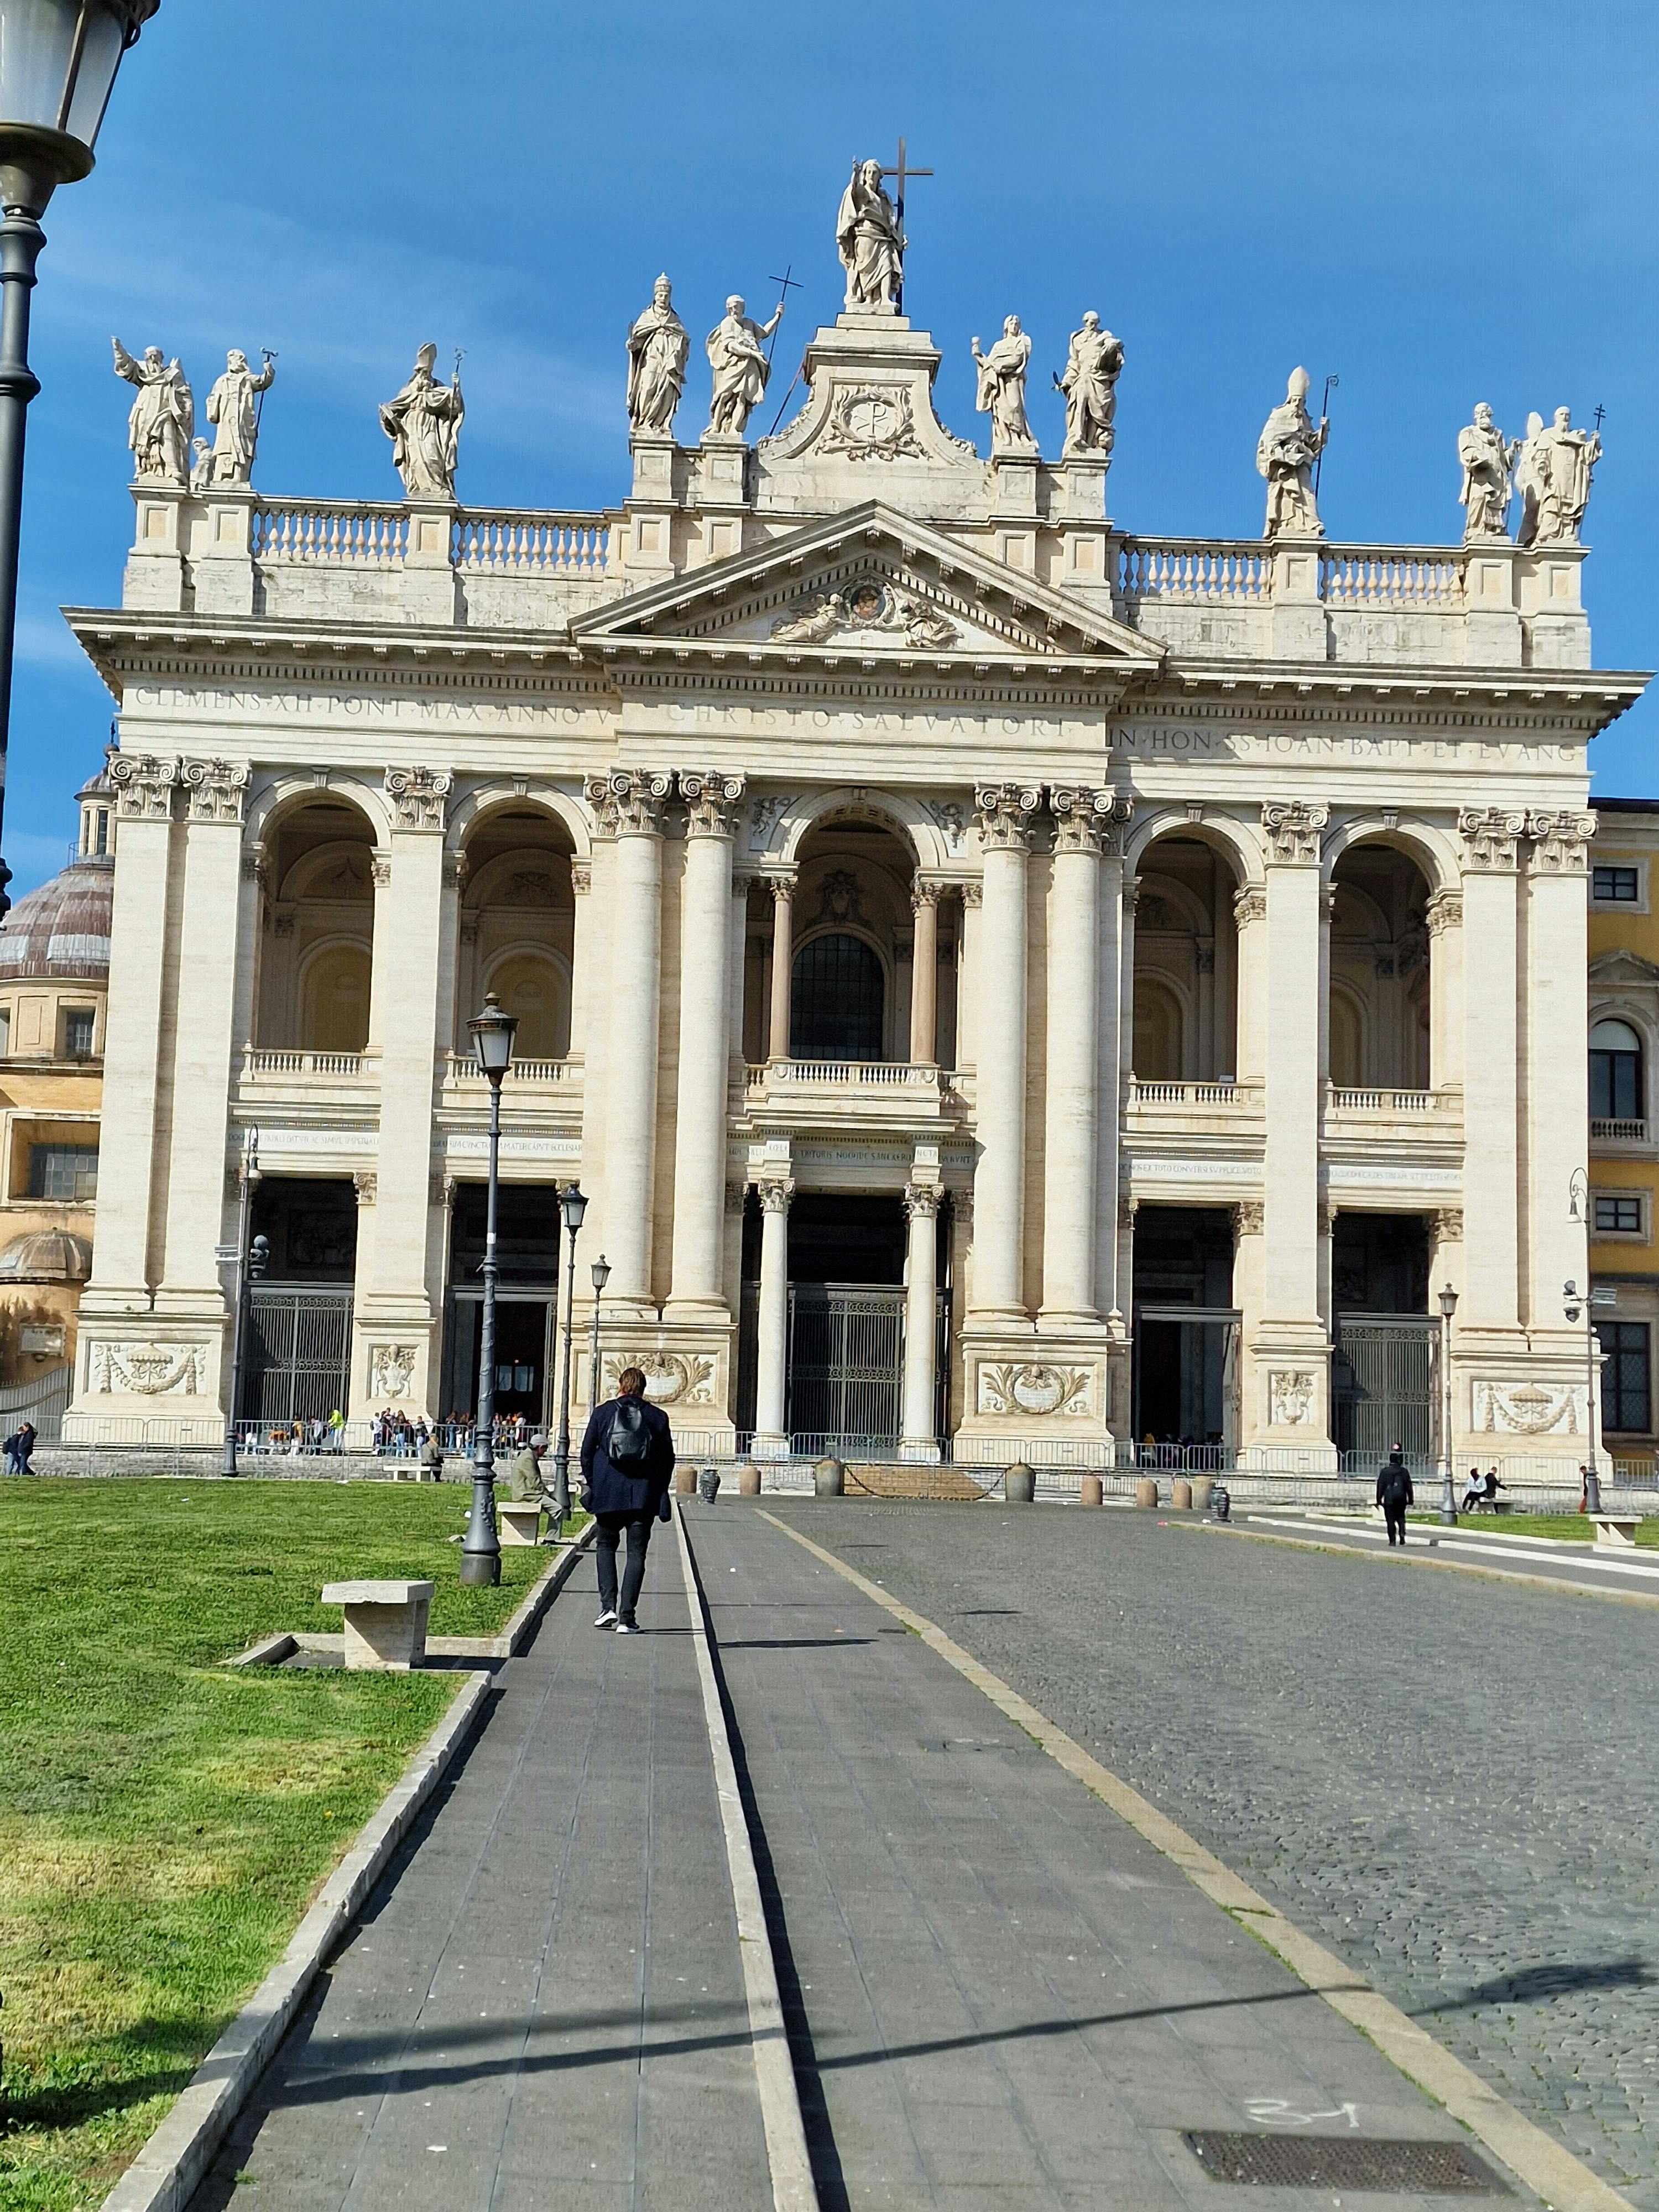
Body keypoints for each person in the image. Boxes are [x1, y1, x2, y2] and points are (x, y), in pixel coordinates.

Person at [580, 1366, 675, 1636]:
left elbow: (586, 1452)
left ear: (620, 1386)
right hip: (642, 1497)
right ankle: (627, 1618)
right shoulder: (658, 1417)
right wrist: (658, 1488)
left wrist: (594, 1482)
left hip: (608, 1494)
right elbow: (668, 1459)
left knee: (606, 1547)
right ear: (644, 1389)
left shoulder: (603, 1413)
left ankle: (606, 1606)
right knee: (636, 1554)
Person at [1376, 1444, 1414, 1546]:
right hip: (1401, 1498)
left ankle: (1392, 1541)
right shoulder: (1404, 1472)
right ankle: (1402, 1534)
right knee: (1401, 1517)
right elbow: (1409, 1487)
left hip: (1389, 1499)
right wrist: (1410, 1499)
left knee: (1390, 1520)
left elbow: (1380, 1486)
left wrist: (1379, 1499)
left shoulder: (1385, 1472)